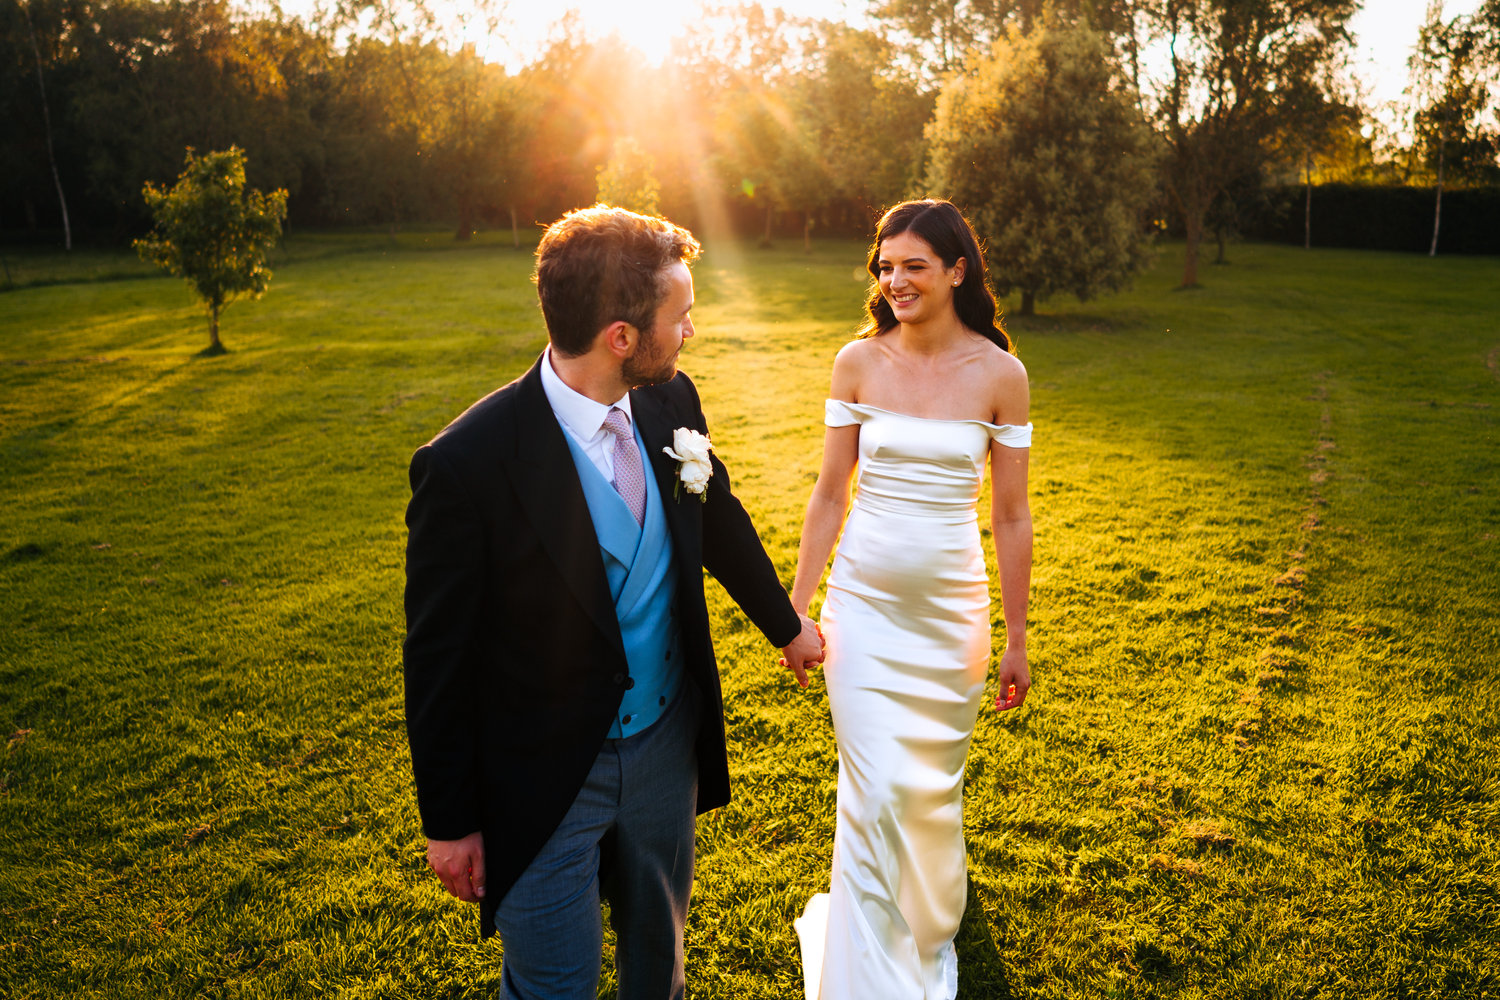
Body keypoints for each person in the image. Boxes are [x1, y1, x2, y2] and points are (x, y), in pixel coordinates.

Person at [402, 204, 825, 1000]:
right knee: (551, 987)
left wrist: (787, 623)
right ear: (622, 337)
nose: (691, 332)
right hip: (543, 772)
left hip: (666, 745)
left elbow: (718, 514)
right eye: (682, 315)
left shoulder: (671, 401)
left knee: (655, 971)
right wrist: (450, 820)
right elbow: (436, 657)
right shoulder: (466, 464)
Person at [789, 199, 1033, 999]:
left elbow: (1010, 514)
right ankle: (865, 978)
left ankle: (929, 918)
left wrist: (1018, 637)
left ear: (957, 269)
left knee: (927, 786)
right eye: (885, 267)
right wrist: (799, 605)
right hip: (862, 611)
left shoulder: (1002, 375)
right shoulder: (857, 363)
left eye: (913, 266)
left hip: (950, 617)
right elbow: (830, 494)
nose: (895, 281)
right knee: (874, 788)